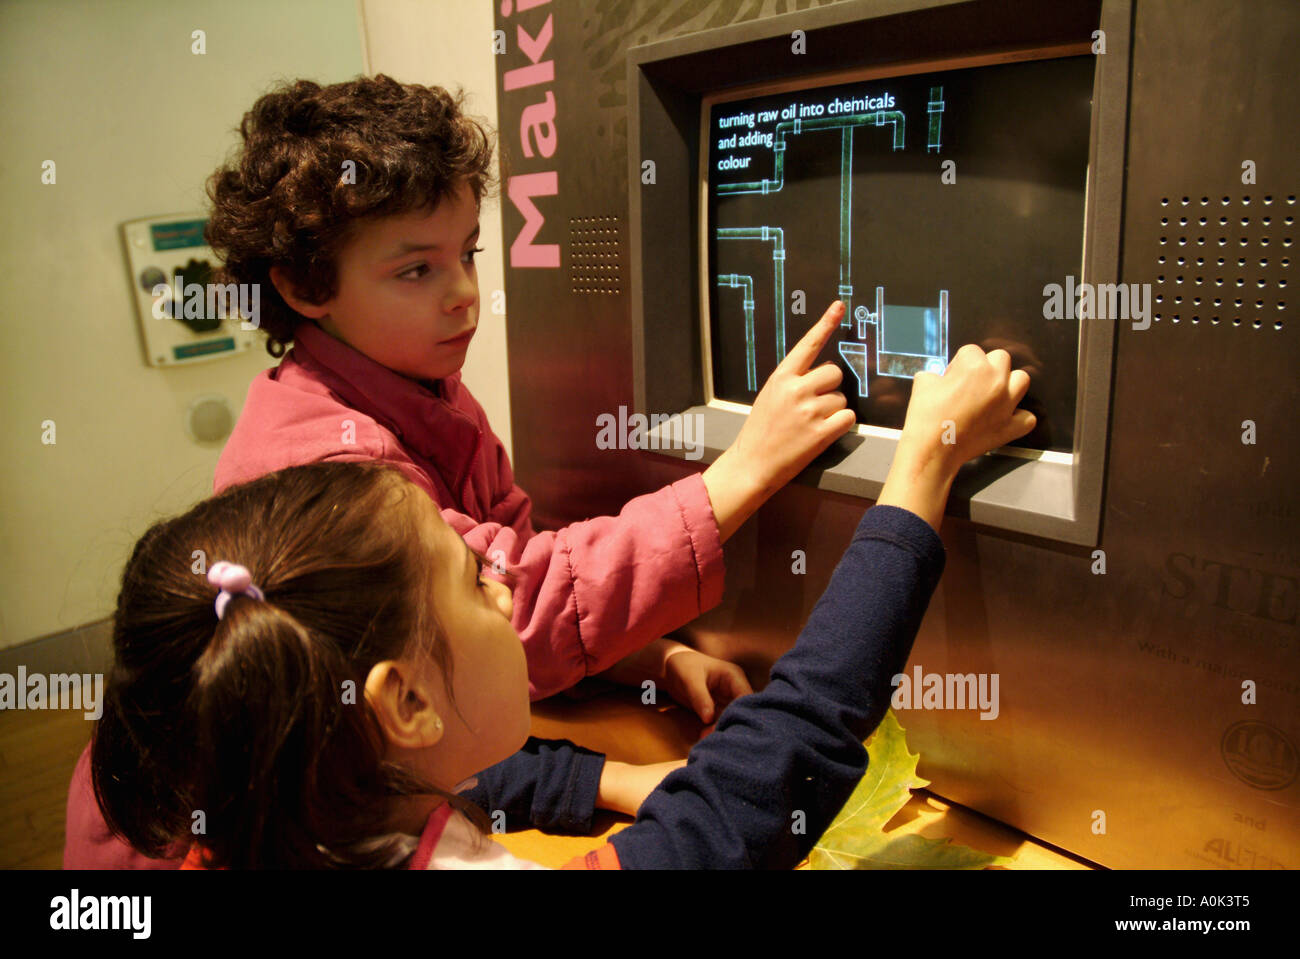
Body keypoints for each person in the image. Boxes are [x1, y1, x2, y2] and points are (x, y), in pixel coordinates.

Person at [65, 74, 860, 867]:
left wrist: (656, 658)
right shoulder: (335, 461)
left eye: (468, 254)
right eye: (417, 270)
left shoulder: (421, 385)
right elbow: (515, 610)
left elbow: (498, 578)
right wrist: (744, 469)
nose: (465, 296)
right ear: (306, 285)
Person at [91, 339, 1034, 869]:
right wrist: (924, 468)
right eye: (472, 583)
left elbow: (463, 784)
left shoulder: (303, 815)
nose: (505, 585)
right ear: (405, 702)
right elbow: (786, 749)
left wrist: (619, 783)